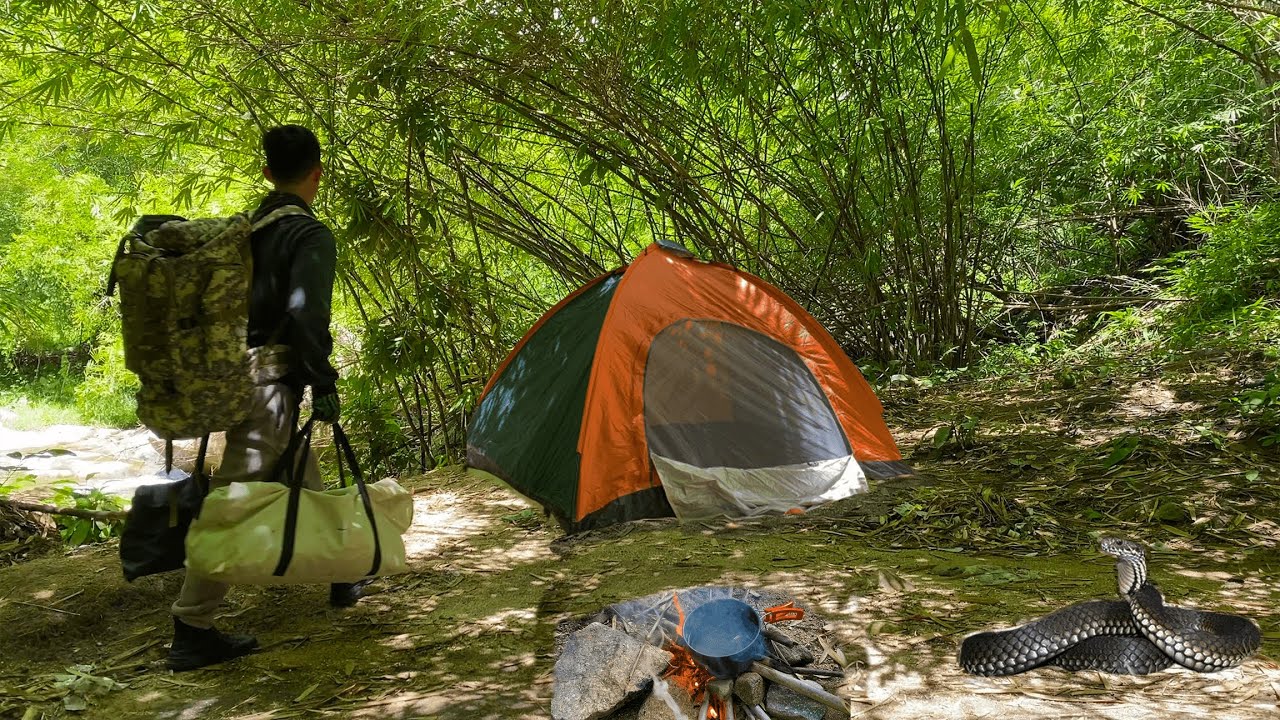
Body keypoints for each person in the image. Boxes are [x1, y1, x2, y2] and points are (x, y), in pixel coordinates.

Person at [167, 124, 361, 672]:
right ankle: (191, 626)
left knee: (299, 467)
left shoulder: (246, 230)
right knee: (235, 500)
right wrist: (323, 380)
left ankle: (342, 571)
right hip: (269, 381)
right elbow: (305, 313)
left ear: (267, 172)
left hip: (237, 373)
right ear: (318, 173)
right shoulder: (307, 234)